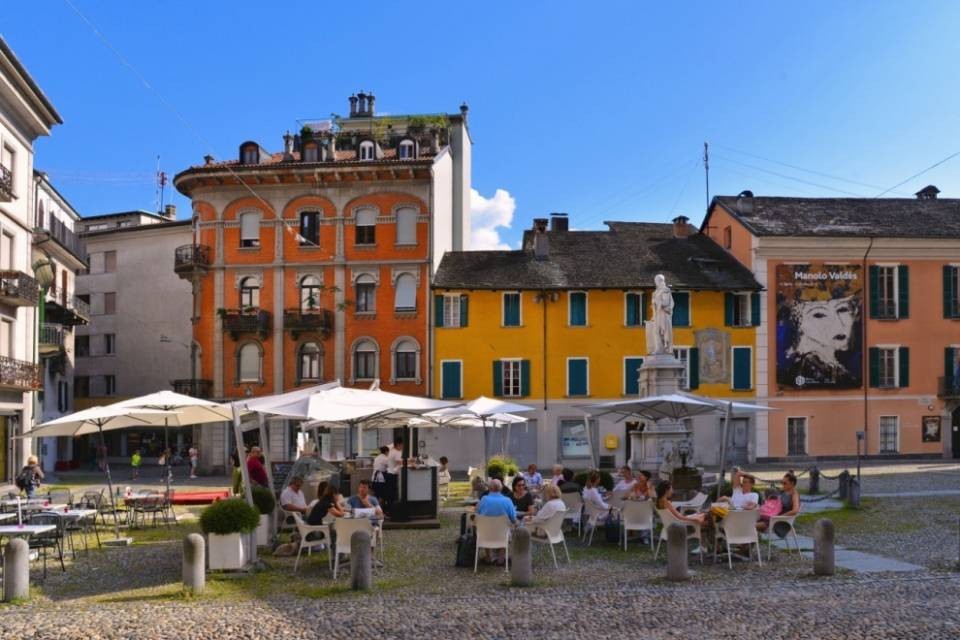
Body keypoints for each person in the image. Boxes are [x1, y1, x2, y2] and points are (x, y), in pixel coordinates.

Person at [475, 479, 516, 566]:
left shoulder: (483, 500)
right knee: (507, 528)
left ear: (489, 488)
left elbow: (477, 515)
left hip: (484, 535)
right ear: (501, 488)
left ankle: (488, 557)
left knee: (484, 526)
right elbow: (513, 519)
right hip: (502, 535)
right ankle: (501, 558)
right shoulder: (507, 500)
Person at [384, 437, 404, 510]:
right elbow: (400, 462)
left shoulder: (391, 448)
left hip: (389, 473)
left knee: (390, 493)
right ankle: (391, 510)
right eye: (402, 445)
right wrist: (410, 461)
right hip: (392, 475)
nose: (403, 447)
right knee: (392, 494)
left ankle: (389, 509)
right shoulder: (397, 452)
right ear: (398, 445)